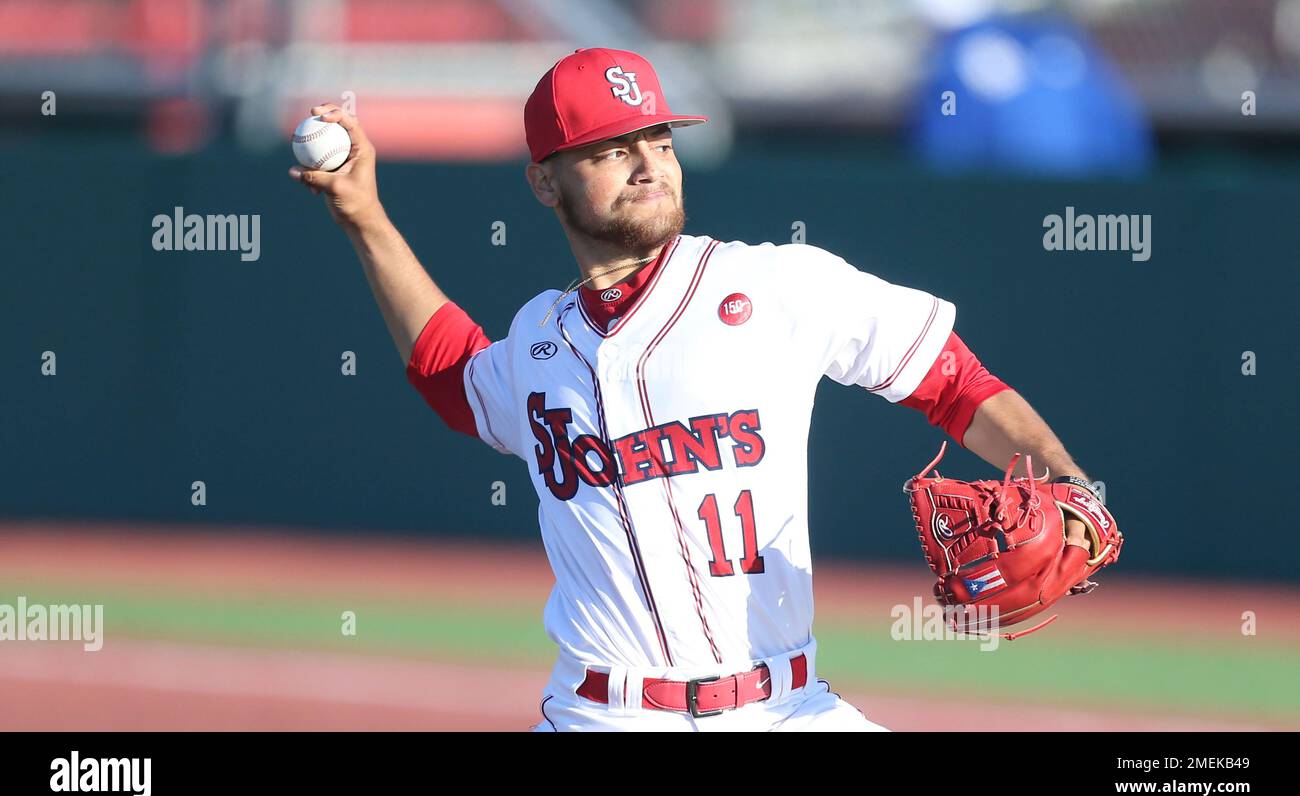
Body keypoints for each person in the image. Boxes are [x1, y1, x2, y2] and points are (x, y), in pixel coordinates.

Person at [289, 47, 1097, 732]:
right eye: (612, 149)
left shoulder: (779, 285)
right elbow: (452, 379)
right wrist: (365, 218)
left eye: (660, 139)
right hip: (602, 714)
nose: (649, 165)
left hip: (787, 706)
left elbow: (954, 382)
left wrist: (1066, 485)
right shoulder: (540, 342)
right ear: (545, 184)